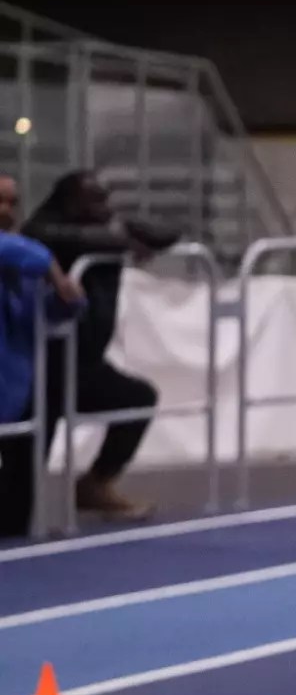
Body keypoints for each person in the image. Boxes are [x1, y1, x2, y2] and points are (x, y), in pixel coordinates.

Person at [22, 170, 176, 521]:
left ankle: (95, 484)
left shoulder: (106, 229)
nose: (102, 207)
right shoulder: (44, 228)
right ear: (69, 202)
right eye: (93, 200)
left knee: (137, 398)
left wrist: (123, 230)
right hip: (41, 368)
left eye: (104, 199)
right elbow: (42, 237)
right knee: (26, 468)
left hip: (84, 363)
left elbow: (167, 233)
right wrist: (122, 239)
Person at [0, 173, 84, 539]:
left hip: (15, 386)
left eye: (12, 202)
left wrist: (68, 301)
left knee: (16, 509)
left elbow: (40, 316)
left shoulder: (22, 266)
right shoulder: (26, 256)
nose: (6, 210)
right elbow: (22, 252)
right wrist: (51, 266)